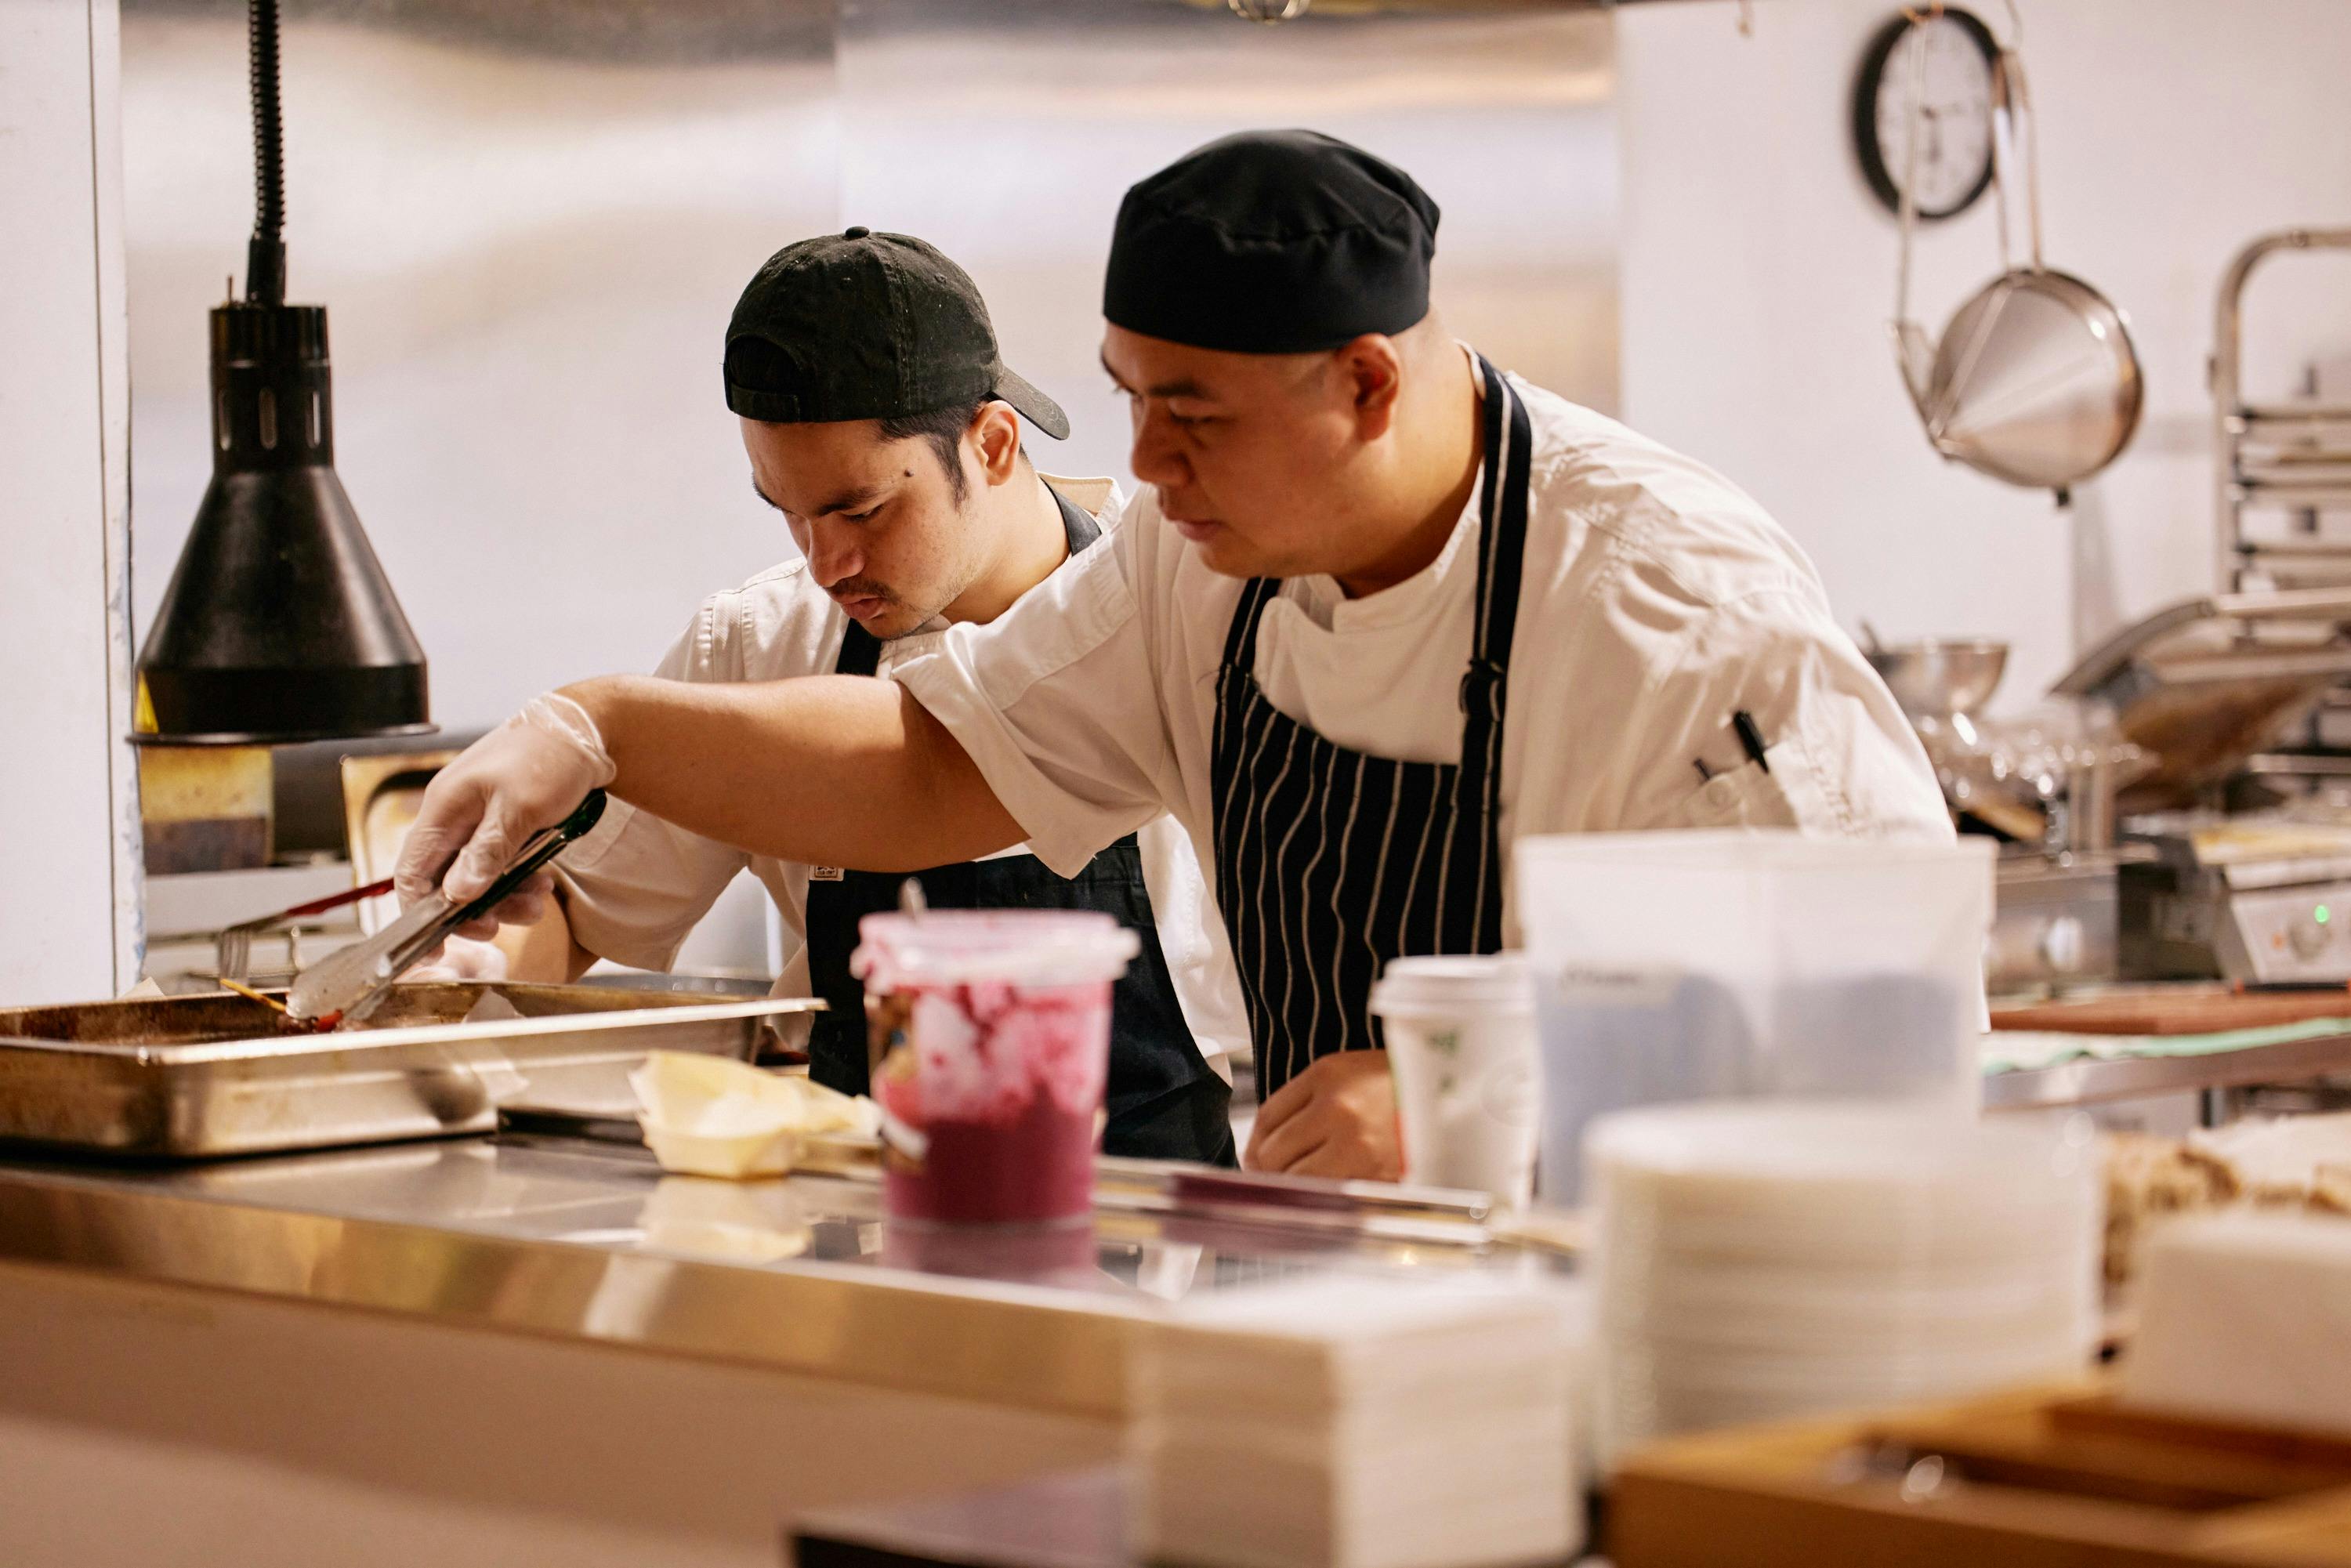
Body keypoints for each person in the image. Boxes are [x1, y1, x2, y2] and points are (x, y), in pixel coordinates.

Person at [397, 131, 1951, 1183]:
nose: (1143, 462)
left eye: (1191, 413)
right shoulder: (1193, 564)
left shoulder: (1660, 600)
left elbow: (1884, 1020)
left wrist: (1469, 1096)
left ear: (1362, 385)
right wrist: (598, 727)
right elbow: (944, 760)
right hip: (1332, 1304)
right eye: (1126, 398)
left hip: (1638, 1325)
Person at [448, 227, 1245, 1164]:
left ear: (991, 443)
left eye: (862, 511)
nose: (828, 563)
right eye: (789, 513)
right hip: (863, 1229)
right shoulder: (761, 642)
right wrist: (464, 980)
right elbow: (586, 912)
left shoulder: (1171, 607)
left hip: (1159, 1228)